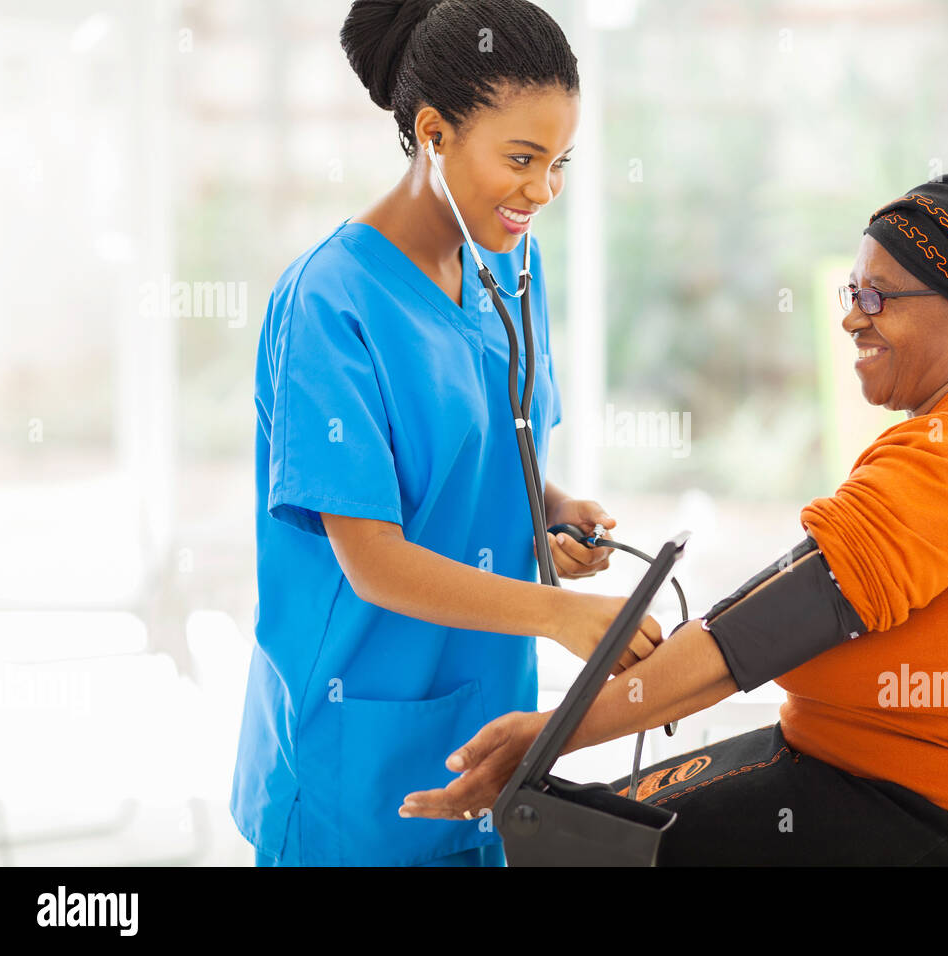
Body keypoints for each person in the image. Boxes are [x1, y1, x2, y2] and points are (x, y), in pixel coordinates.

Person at [400, 172, 948, 866]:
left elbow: (751, 638)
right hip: (894, 776)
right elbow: (772, 602)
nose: (850, 315)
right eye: (853, 288)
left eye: (880, 296)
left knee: (575, 838)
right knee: (588, 816)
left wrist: (550, 738)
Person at [230, 0, 662, 868]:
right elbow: (374, 558)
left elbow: (494, 452)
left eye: (560, 162)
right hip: (353, 754)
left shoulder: (503, 265)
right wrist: (562, 615)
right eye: (521, 159)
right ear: (433, 132)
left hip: (486, 727)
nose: (543, 192)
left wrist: (551, 510)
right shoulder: (330, 301)